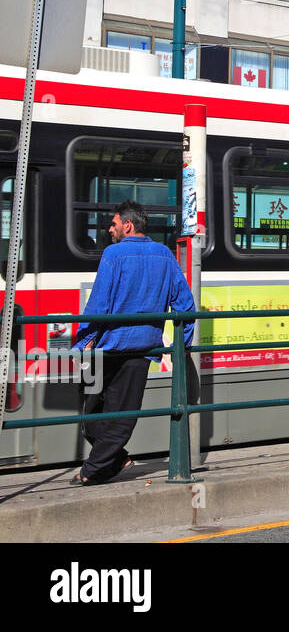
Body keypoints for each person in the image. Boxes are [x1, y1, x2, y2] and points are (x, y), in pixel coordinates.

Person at [71, 201, 195, 485]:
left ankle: (91, 470)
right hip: (142, 348)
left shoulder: (113, 254)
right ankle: (117, 460)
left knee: (92, 413)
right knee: (121, 414)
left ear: (128, 225)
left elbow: (99, 303)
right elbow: (185, 305)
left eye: (113, 224)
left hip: (107, 345)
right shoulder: (165, 255)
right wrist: (182, 345)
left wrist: (85, 340)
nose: (109, 230)